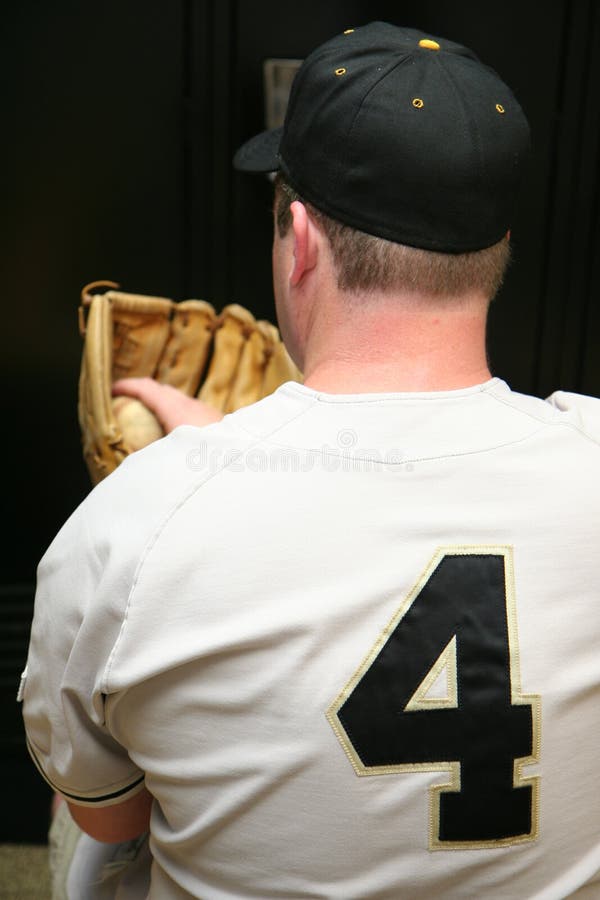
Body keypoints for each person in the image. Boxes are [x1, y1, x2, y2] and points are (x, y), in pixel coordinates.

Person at [21, 21, 600, 899]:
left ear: (299, 241)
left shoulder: (130, 529)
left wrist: (195, 476)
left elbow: (113, 815)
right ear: (497, 251)